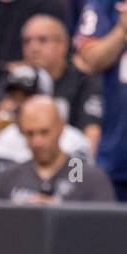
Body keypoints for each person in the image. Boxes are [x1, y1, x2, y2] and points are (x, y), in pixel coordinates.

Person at [0, 64, 95, 194]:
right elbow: (3, 188)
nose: (20, 104)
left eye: (27, 96)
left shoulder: (74, 141)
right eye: (14, 97)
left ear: (47, 96)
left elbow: (78, 187)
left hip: (63, 211)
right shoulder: (5, 139)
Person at [0, 95, 118, 201]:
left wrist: (57, 213)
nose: (37, 142)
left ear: (61, 128)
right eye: (30, 133)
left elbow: (104, 227)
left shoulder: (83, 173)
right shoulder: (9, 177)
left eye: (44, 132)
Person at [13, 13, 102, 153]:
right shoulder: (15, 80)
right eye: (27, 41)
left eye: (42, 40)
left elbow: (91, 133)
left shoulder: (82, 81)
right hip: (24, 162)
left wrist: (80, 172)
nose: (33, 48)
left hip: (70, 160)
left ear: (63, 45)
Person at [74, 0, 127, 199]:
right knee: (101, 225)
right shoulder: (103, 4)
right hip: (110, 155)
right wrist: (122, 29)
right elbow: (90, 60)